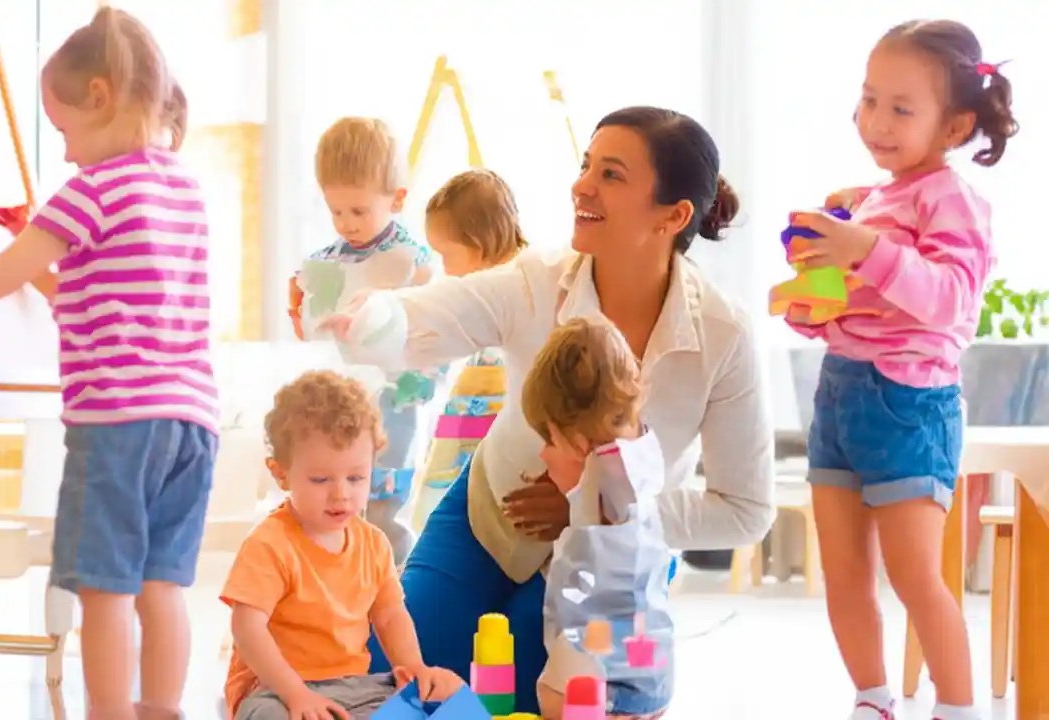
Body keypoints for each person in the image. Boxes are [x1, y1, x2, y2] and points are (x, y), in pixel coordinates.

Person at [323, 106, 776, 712]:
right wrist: (360, 313)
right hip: (488, 516)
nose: (581, 184)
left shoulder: (724, 334)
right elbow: (429, 314)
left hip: (614, 561)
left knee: (536, 699)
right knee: (390, 682)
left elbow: (745, 511)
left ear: (673, 215)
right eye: (586, 165)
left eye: (611, 175)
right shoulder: (536, 281)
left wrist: (588, 508)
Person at [0, 7, 215, 719]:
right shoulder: (181, 190)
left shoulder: (89, 191)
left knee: (105, 588)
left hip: (118, 423)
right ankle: (159, 709)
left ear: (100, 96)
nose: (62, 154)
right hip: (191, 423)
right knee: (161, 587)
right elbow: (96, 299)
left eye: (62, 131)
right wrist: (43, 254)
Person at [783, 19, 1016, 720]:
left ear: (954, 128)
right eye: (868, 99)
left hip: (909, 404)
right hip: (841, 397)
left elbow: (948, 302)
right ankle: (872, 699)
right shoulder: (867, 201)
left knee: (916, 577)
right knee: (845, 576)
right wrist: (808, 299)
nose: (876, 121)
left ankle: (956, 708)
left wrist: (861, 252)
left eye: (901, 108)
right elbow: (840, 309)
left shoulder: (952, 200)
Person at [221, 370, 463, 720]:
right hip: (274, 690)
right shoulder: (269, 543)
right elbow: (246, 628)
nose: (341, 494)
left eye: (356, 477)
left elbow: (390, 614)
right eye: (320, 479)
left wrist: (414, 669)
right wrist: (296, 695)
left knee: (450, 701)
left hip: (355, 686)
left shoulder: (373, 544)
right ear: (281, 473)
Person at [287, 117, 438, 566]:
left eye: (358, 211)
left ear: (397, 200)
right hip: (344, 397)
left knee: (385, 507)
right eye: (336, 212)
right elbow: (308, 326)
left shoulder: (413, 262)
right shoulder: (327, 263)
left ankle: (395, 595)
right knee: (338, 502)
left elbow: (427, 327)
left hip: (396, 396)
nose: (346, 224)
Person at [522, 317, 672, 720]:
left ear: (577, 443)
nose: (542, 455)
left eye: (547, 441)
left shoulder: (609, 474)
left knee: (552, 690)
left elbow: (607, 453)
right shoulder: (643, 458)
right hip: (650, 671)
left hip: (606, 674)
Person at [410, 168, 527, 530]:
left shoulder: (516, 285)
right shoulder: (490, 290)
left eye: (445, 254)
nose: (443, 267)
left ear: (477, 245)